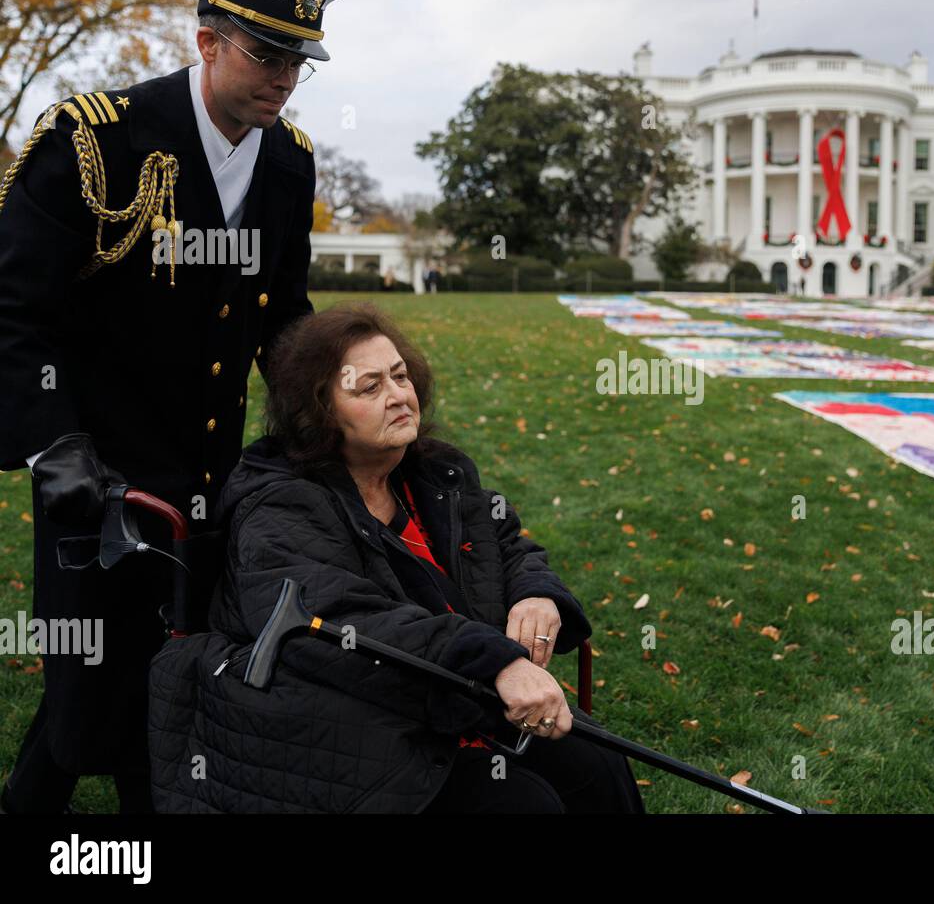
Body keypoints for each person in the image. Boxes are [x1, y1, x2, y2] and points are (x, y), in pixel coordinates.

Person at [0, 0, 343, 814]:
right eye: (267, 56)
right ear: (206, 40)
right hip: (95, 470)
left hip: (213, 473)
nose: (285, 81)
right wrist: (53, 445)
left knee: (169, 672)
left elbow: (283, 316)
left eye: (299, 62)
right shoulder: (94, 139)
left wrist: (328, 415)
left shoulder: (290, 162)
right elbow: (12, 310)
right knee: (92, 689)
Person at [148, 303, 646, 813]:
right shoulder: (282, 504)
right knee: (522, 805)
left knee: (595, 763)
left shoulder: (435, 472)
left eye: (400, 376)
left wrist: (536, 592)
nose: (397, 396)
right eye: (369, 387)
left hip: (462, 696)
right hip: (348, 724)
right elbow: (341, 622)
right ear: (318, 411)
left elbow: (507, 545)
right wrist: (490, 661)